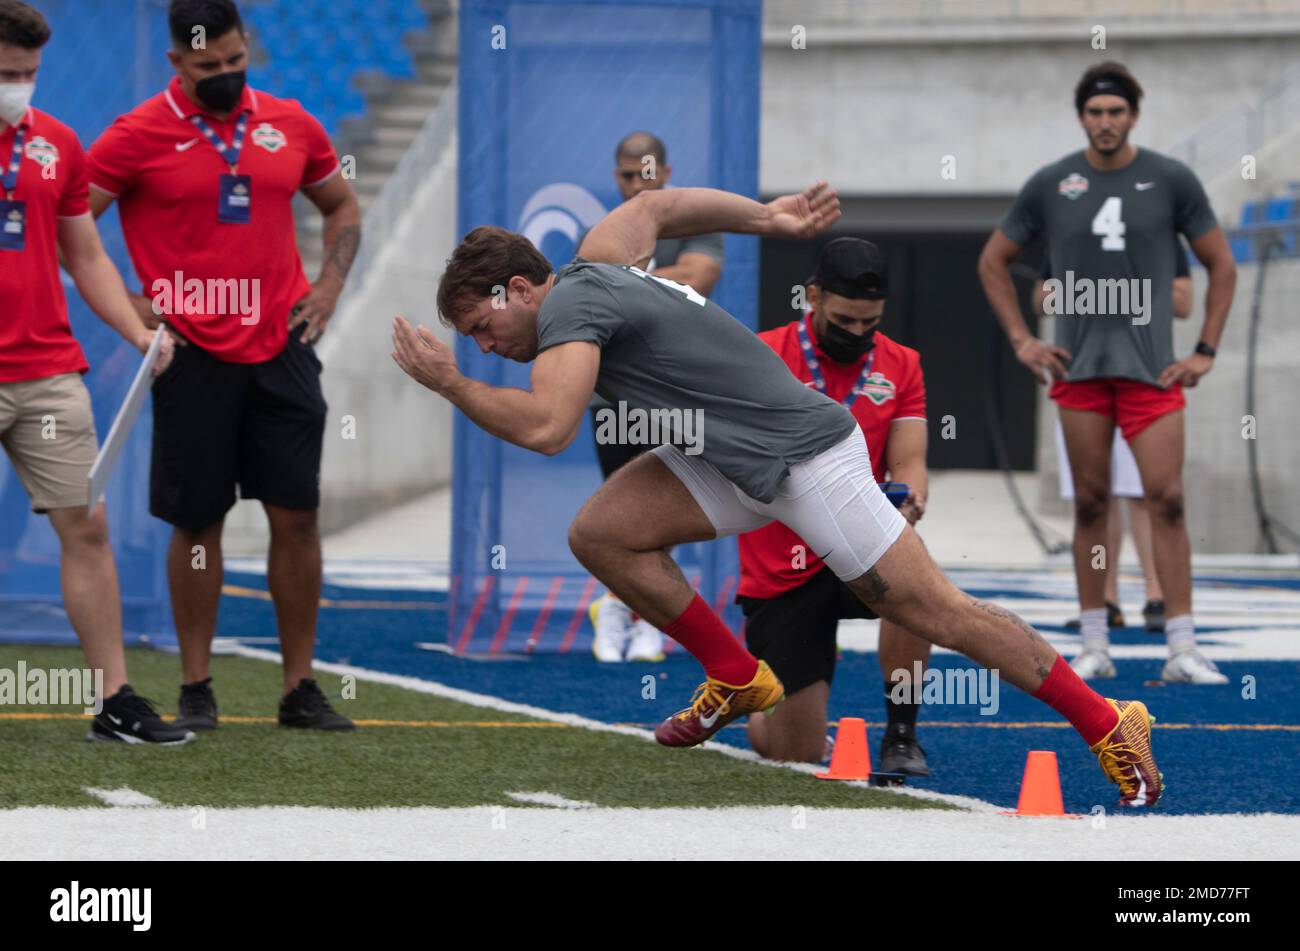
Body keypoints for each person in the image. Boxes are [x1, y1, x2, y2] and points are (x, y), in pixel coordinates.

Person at [394, 181, 1164, 807]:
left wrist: (452, 383)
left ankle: (1108, 722)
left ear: (520, 287)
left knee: (938, 613)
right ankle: (735, 672)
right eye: (470, 345)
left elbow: (549, 428)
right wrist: (762, 215)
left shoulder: (568, 308)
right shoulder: (599, 253)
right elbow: (659, 207)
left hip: (804, 461)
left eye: (480, 326)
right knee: (601, 530)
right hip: (732, 460)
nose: (484, 346)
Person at [86, 0, 363, 730]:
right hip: (192, 351)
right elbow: (71, 222)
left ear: (248, 48)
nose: (226, 76)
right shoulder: (135, 135)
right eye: (209, 67)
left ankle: (298, 688)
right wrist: (128, 305)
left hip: (283, 345)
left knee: (297, 516)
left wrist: (328, 286)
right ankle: (195, 684)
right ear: (177, 63)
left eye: (235, 62)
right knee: (199, 521)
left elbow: (342, 206)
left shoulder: (291, 122)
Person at [978, 62, 1237, 685]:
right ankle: (1094, 639)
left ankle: (1182, 647)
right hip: (1082, 373)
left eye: (1116, 111)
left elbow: (1221, 266)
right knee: (1092, 504)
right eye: (1095, 112)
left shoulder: (1171, 179)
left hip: (1151, 374)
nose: (1105, 122)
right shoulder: (1052, 182)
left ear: (1134, 116)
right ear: (1081, 118)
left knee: (1167, 500)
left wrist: (1205, 350)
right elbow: (993, 259)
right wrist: (1022, 340)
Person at [0, 0, 190, 744]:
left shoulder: (57, 144)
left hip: (47, 368)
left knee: (88, 525)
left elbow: (84, 255)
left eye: (28, 74)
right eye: (6, 73)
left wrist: (139, 329)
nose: (19, 87)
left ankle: (114, 700)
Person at [737, 238, 933, 774]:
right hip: (782, 562)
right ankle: (758, 713)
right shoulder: (763, 354)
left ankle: (901, 734)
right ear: (814, 297)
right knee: (794, 752)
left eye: (869, 323)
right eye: (845, 319)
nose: (857, 334)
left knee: (918, 579)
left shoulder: (902, 365)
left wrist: (909, 504)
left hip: (857, 538)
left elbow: (910, 462)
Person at [588, 131, 725, 663]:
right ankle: (624, 609)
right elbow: (590, 293)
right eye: (625, 175)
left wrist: (622, 280)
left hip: (677, 394)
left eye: (644, 173)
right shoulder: (604, 230)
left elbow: (698, 278)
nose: (634, 184)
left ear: (664, 174)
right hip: (613, 399)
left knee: (660, 515)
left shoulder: (695, 222)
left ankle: (636, 614)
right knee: (621, 516)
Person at [1039, 241, 1192, 634]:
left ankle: (1156, 592)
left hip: (1140, 375)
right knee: (1093, 498)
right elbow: (1044, 297)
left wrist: (1114, 287)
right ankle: (1106, 599)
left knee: (1147, 493)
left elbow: (1182, 301)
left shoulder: (1155, 228)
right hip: (1085, 376)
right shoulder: (1070, 227)